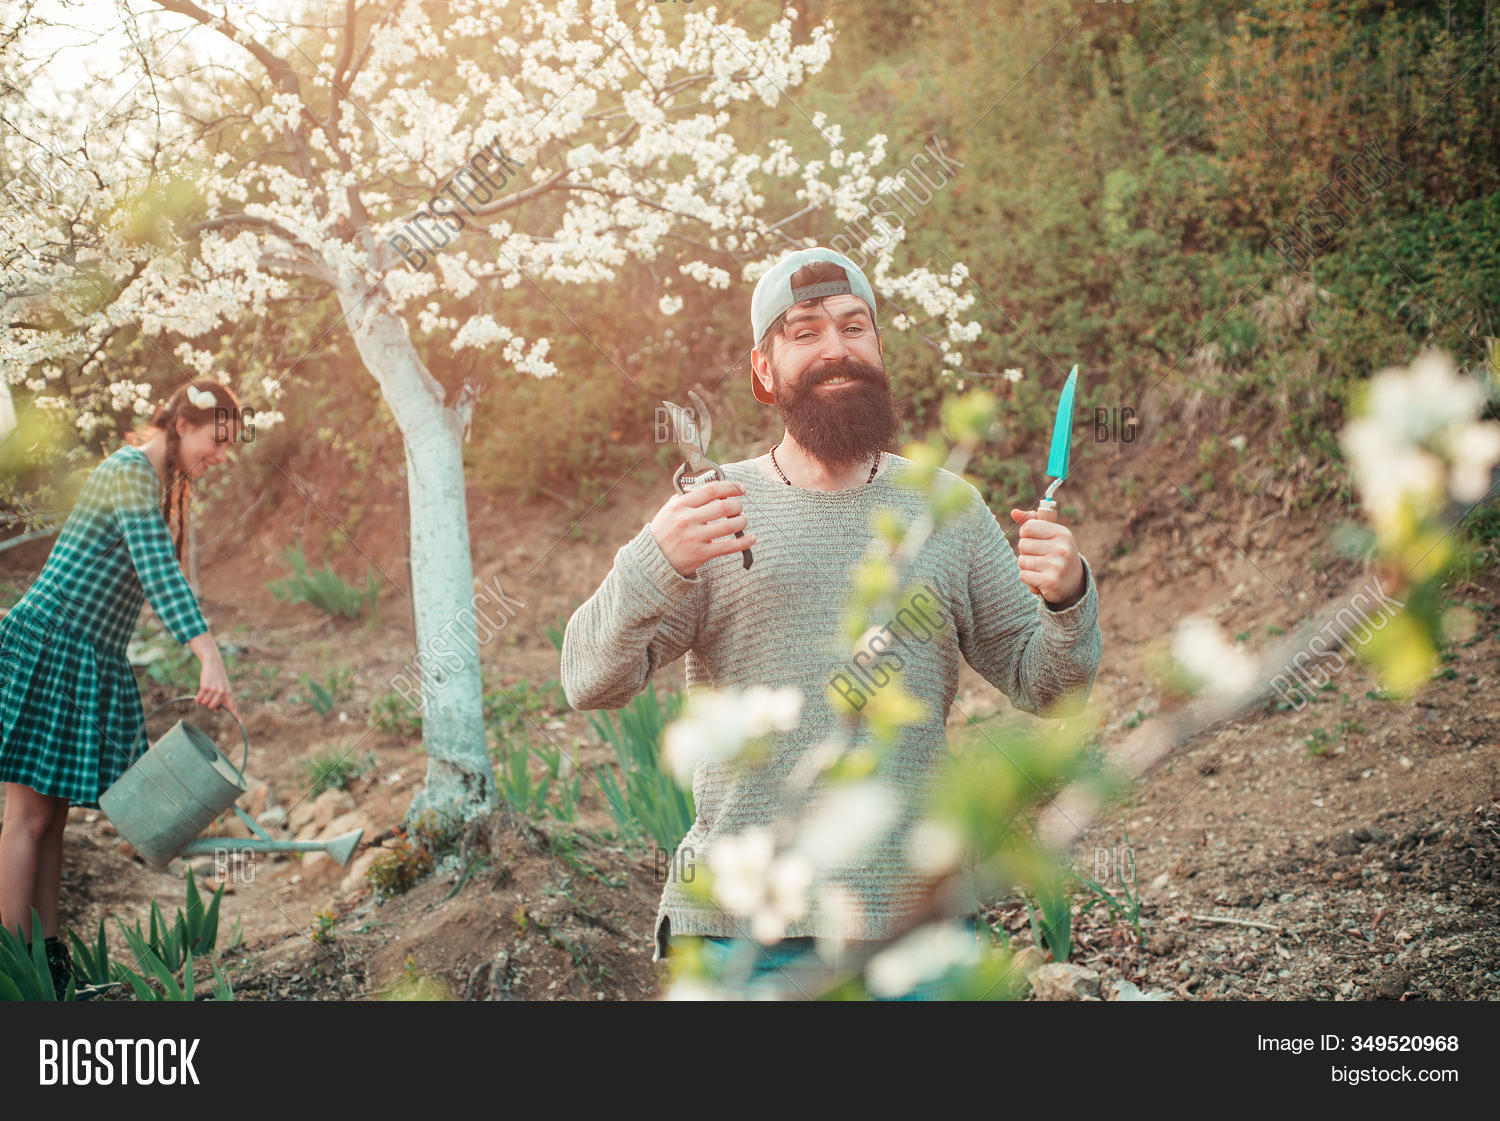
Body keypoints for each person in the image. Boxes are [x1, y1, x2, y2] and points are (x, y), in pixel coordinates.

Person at [561, 246, 1103, 998]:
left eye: (855, 326)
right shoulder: (713, 511)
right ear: (764, 369)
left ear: (879, 349)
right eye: (804, 331)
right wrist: (656, 558)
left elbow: (1050, 685)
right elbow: (589, 680)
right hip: (742, 936)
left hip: (919, 927)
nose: (836, 348)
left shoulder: (947, 506)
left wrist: (1067, 594)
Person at [0, 379, 243, 998]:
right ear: (183, 423)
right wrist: (208, 656)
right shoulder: (130, 471)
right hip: (54, 646)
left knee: (52, 821)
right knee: (26, 819)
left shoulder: (156, 484)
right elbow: (159, 571)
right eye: (216, 441)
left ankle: (47, 967)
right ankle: (12, 972)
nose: (220, 456)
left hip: (89, 657)